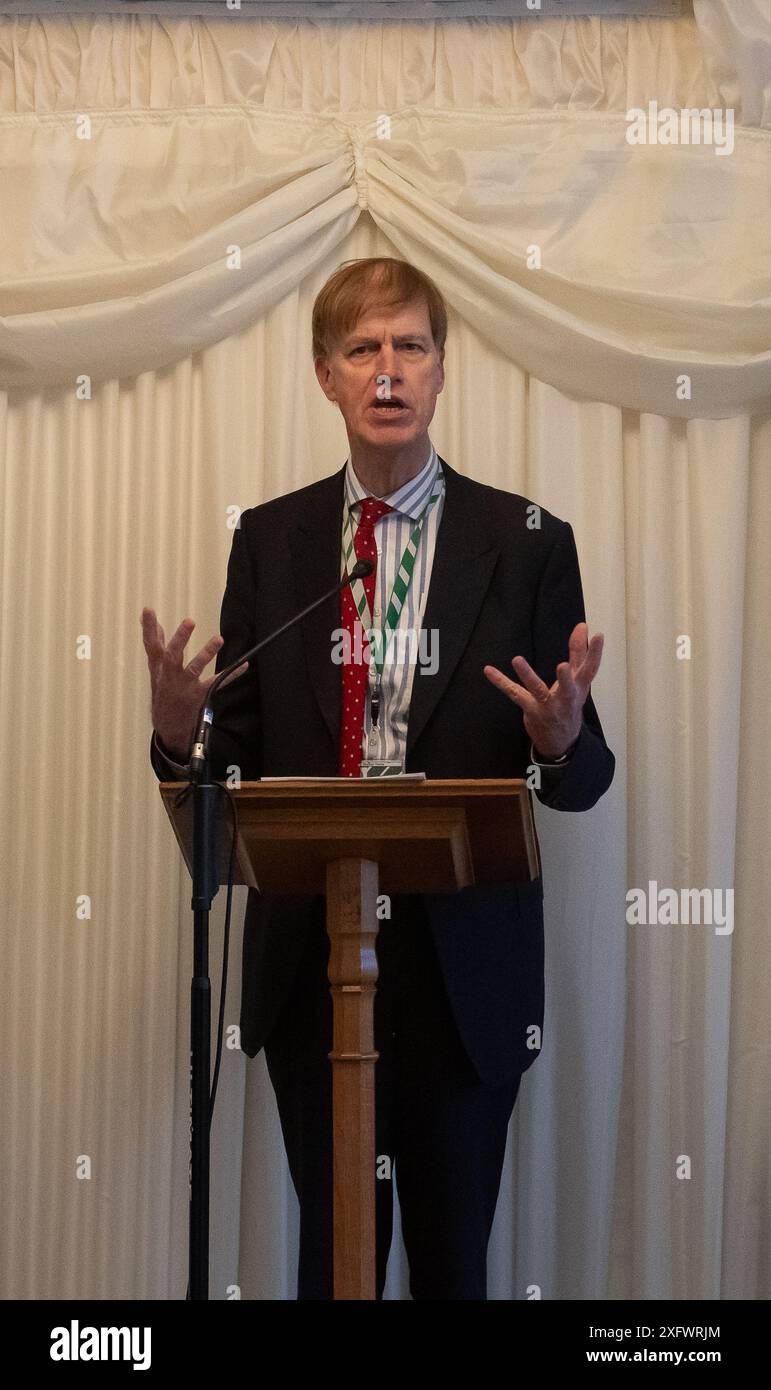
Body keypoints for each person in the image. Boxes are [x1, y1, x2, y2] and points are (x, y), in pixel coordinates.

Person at [141, 256, 615, 1300]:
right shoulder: (273, 541)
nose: (388, 370)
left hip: (464, 973)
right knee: (333, 1261)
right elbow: (238, 760)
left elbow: (581, 783)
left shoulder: (527, 544)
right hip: (314, 955)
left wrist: (561, 737)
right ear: (327, 374)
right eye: (364, 349)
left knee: (452, 1265)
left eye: (411, 346)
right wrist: (183, 739)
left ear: (441, 372)